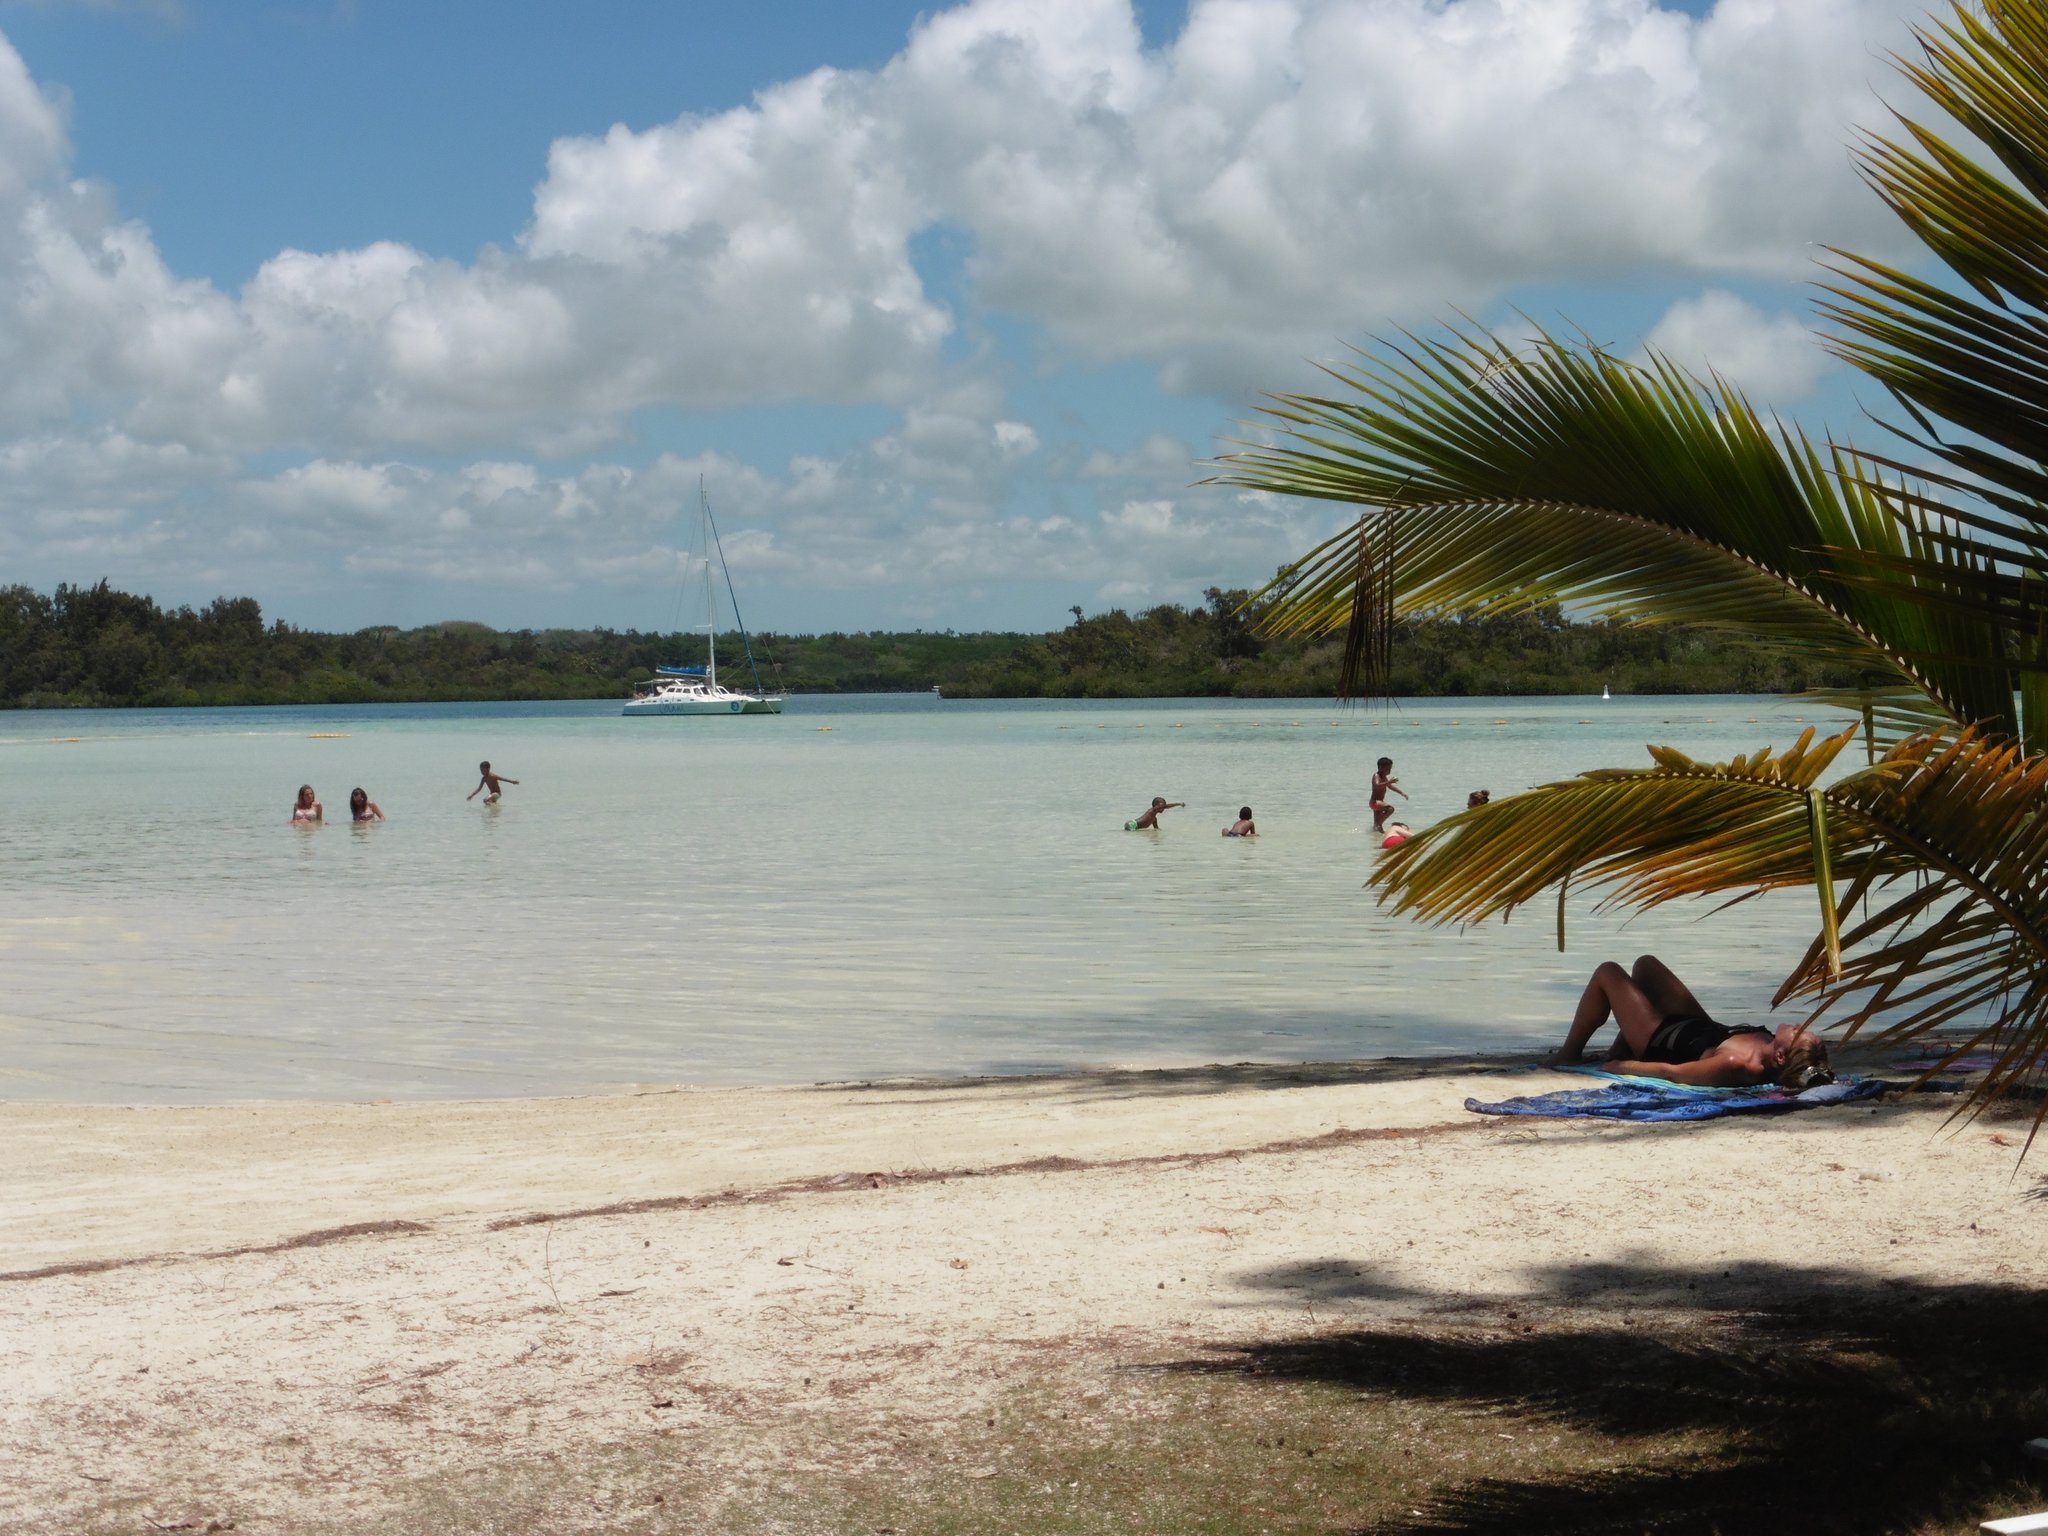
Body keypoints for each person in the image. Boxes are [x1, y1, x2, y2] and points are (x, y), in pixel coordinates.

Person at [1545, 955, 1832, 1088]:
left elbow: (1675, 1072)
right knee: (1646, 966)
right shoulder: (1767, 1050)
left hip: (1660, 1038)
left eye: (1798, 1033)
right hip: (1699, 1029)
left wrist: (1625, 1066)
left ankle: (1568, 1054)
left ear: (1780, 1056)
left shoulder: (1737, 1063)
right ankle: (1620, 1046)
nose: (1800, 1026)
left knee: (1607, 971)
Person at [1370, 757, 1407, 833]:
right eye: (1388, 768)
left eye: (1390, 768)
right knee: (1390, 809)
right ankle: (1378, 824)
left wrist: (1401, 793)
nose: (1390, 770)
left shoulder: (1384, 777)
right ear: (1381, 767)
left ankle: (1376, 837)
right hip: (1375, 802)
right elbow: (1377, 785)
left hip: (1379, 803)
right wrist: (1389, 782)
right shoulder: (1376, 775)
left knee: (1377, 827)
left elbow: (1390, 787)